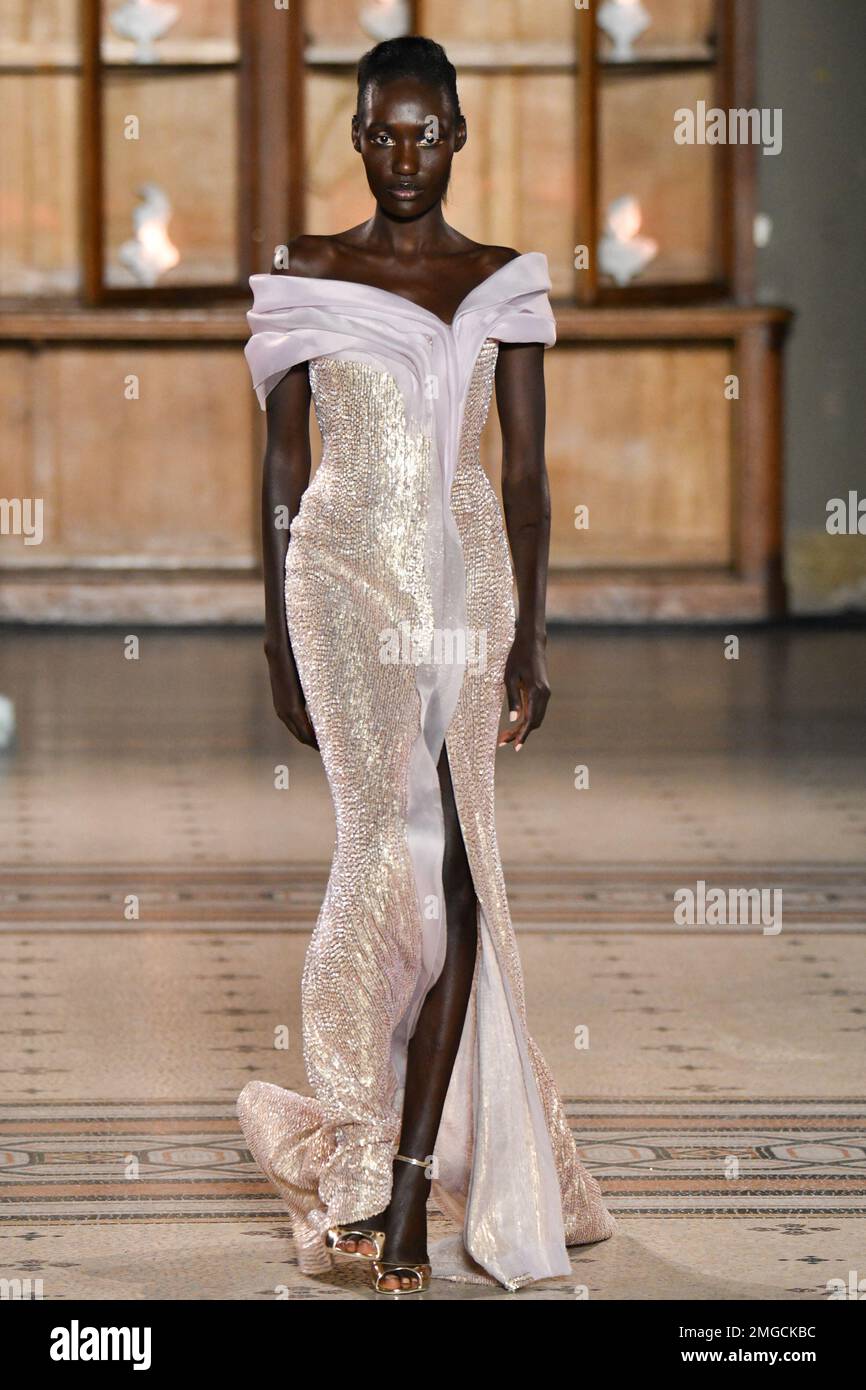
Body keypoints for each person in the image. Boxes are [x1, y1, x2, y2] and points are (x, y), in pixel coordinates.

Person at [238, 34, 615, 1295]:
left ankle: (404, 1194)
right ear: (356, 137)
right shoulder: (308, 271)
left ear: (457, 137)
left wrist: (534, 641)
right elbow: (284, 472)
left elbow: (525, 482)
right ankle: (351, 1164)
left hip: (469, 594)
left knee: (456, 875)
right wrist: (276, 631)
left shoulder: (502, 284)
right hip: (339, 585)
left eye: (425, 131)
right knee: (368, 849)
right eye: (381, 132)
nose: (404, 153)